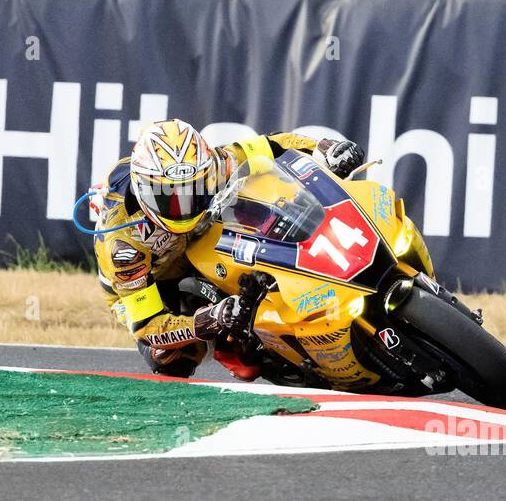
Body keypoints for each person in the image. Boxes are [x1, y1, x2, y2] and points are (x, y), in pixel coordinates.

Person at [91, 119, 365, 378]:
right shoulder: (122, 245)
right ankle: (225, 344)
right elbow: (148, 327)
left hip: (199, 239)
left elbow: (272, 146)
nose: (183, 206)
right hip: (154, 281)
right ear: (143, 189)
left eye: (192, 190)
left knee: (259, 193)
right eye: (169, 198)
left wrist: (322, 148)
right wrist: (212, 319)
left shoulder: (213, 165)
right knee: (169, 355)